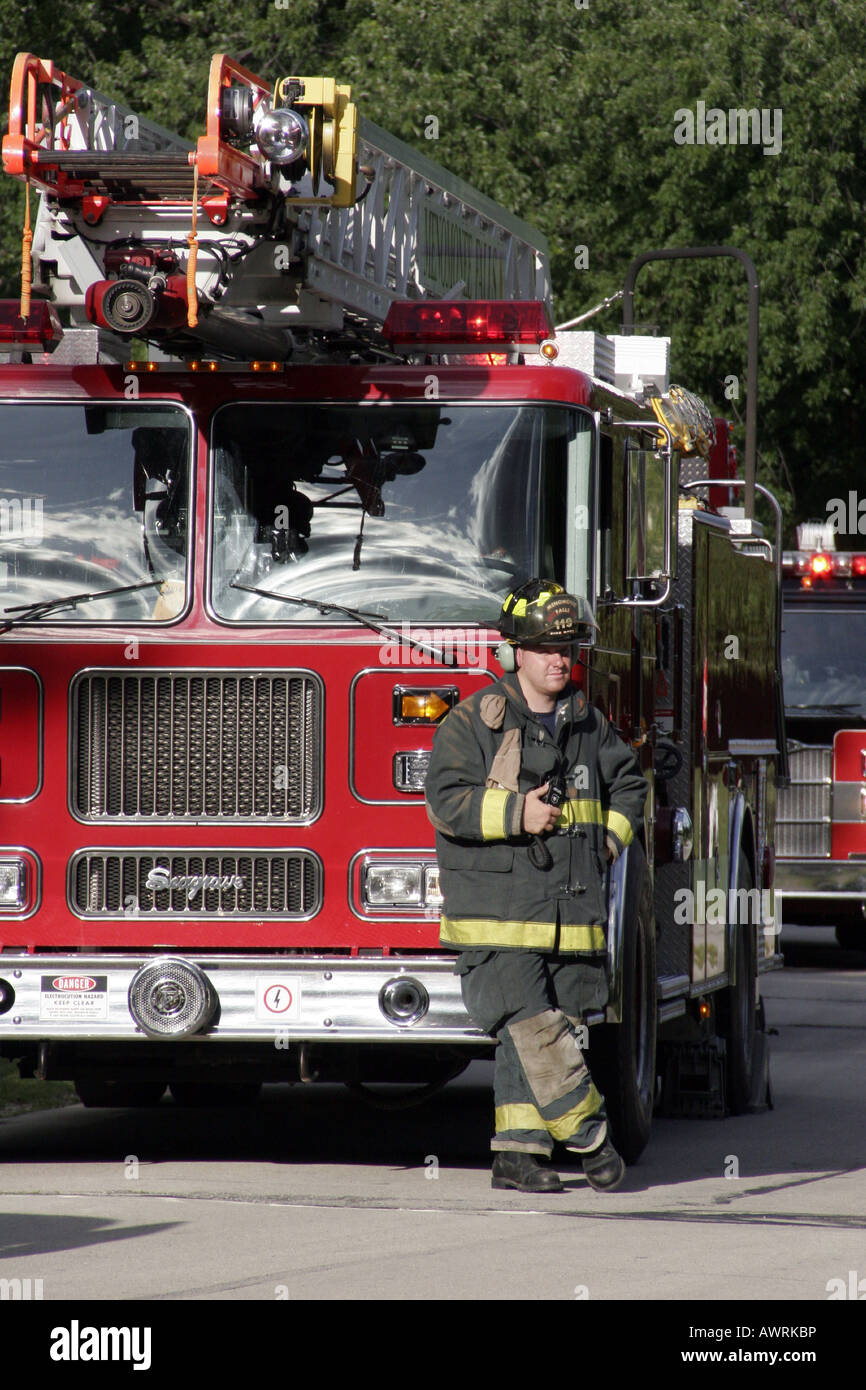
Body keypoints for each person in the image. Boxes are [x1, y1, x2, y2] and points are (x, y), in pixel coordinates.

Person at [425, 579, 648, 1192]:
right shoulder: (474, 722)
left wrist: (607, 842)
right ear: (515, 651)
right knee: (534, 1026)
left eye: (568, 648)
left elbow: (630, 785)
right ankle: (594, 1140)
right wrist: (515, 814)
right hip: (499, 916)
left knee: (555, 1031)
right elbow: (444, 803)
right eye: (546, 648)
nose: (560, 659)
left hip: (572, 914)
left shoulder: (587, 721)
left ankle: (517, 1154)